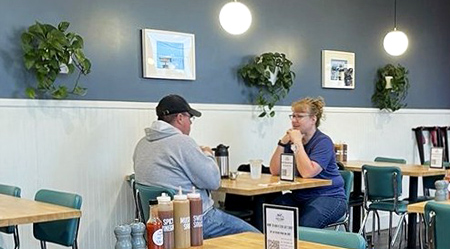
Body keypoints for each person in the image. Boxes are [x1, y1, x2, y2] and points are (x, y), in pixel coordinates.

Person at [133, 94, 258, 237]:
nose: (191, 123)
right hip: (196, 220)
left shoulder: (142, 144)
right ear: (180, 118)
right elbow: (213, 182)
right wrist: (207, 154)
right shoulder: (182, 142)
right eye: (190, 118)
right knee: (258, 239)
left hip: (159, 225)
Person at [269, 96, 347, 228]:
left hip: (329, 196)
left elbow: (307, 172)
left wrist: (298, 142)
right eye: (292, 116)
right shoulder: (291, 140)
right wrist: (282, 143)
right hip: (300, 196)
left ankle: (307, 248)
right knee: (270, 211)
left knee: (306, 224)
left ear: (313, 119)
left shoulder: (323, 142)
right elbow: (275, 171)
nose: (294, 120)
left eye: (299, 116)